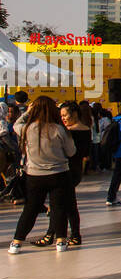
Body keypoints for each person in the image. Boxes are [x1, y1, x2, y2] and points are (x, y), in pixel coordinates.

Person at [8, 96, 74, 254]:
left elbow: (15, 125)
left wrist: (28, 112)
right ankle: (61, 241)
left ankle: (17, 242)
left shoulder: (28, 128)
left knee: (30, 209)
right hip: (59, 173)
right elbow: (71, 152)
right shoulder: (59, 129)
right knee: (58, 207)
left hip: (35, 175)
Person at [42, 101, 91, 246]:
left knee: (60, 204)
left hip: (65, 171)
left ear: (74, 114)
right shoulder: (86, 129)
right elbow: (85, 154)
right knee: (66, 204)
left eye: (65, 115)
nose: (63, 118)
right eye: (61, 115)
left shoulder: (70, 131)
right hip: (75, 171)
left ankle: (53, 234)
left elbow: (67, 152)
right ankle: (67, 235)